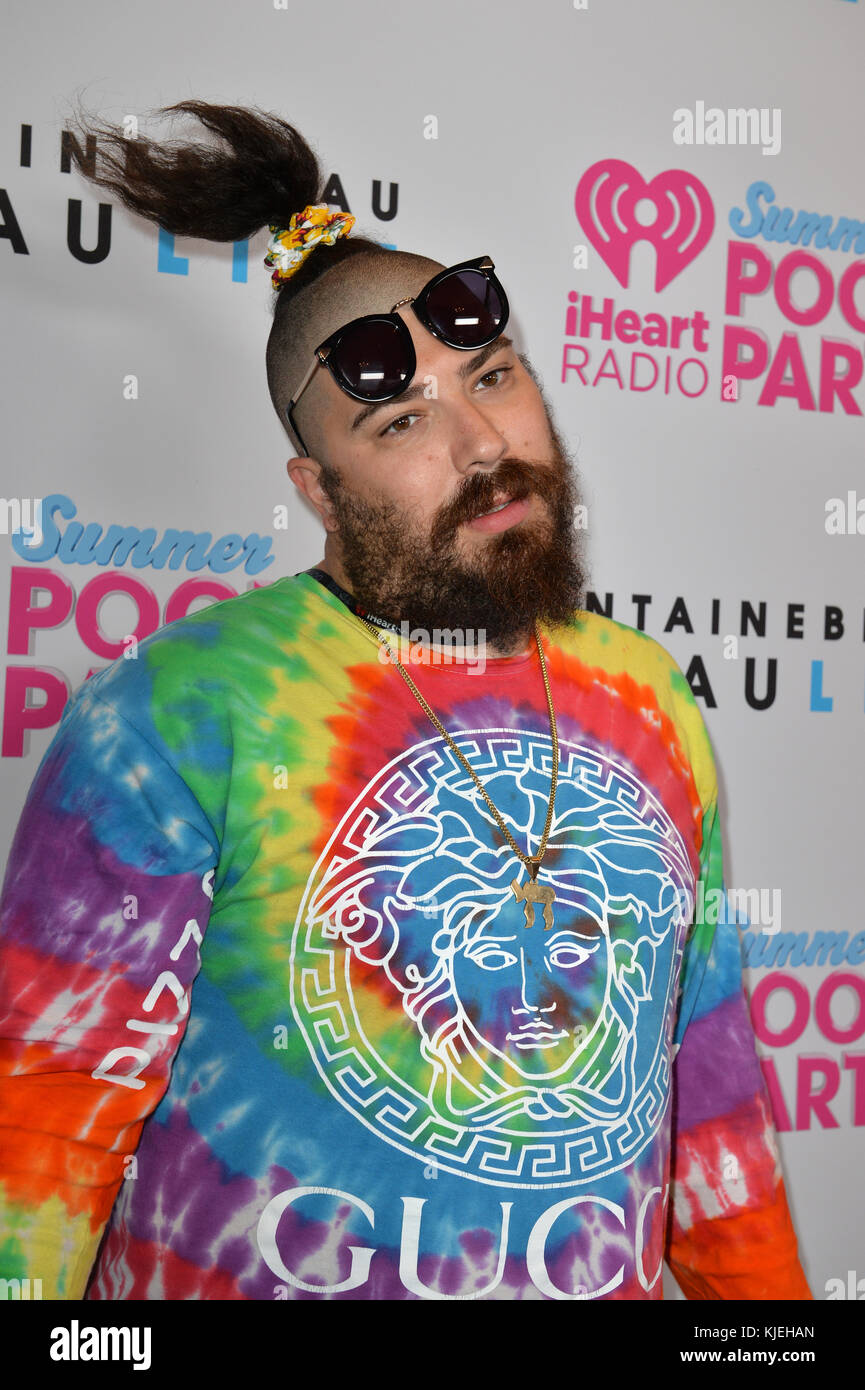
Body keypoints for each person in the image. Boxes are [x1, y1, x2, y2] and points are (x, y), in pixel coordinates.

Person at [0, 101, 811, 1301]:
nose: (483, 443)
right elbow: (41, 1142)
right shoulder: (176, 710)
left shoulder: (647, 695)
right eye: (402, 421)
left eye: (493, 375)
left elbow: (711, 1108)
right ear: (317, 488)